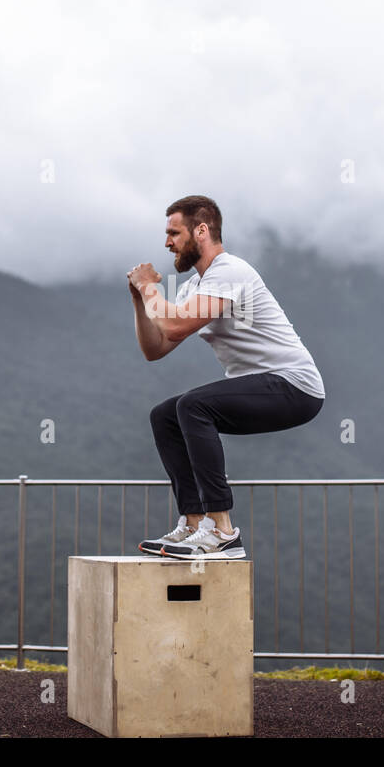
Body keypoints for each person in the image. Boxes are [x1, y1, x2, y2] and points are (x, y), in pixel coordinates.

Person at [128, 195, 324, 559]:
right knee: (165, 416)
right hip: (262, 386)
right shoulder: (194, 288)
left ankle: (221, 531)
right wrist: (140, 300)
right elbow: (155, 348)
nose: (167, 242)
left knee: (193, 406)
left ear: (201, 231)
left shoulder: (231, 271)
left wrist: (149, 287)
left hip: (295, 386)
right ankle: (192, 524)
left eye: (174, 232)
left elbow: (172, 325)